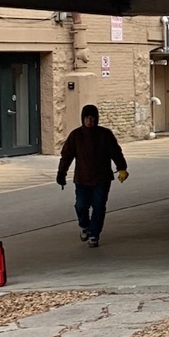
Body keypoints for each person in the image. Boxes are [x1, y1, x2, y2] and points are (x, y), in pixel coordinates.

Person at [55, 104, 128, 248]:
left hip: (102, 178)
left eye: (92, 118)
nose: (90, 121)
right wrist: (61, 173)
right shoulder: (76, 136)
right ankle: (84, 225)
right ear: (82, 119)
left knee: (99, 206)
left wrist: (122, 168)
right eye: (87, 118)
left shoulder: (105, 134)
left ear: (96, 119)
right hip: (82, 178)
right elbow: (66, 156)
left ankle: (94, 234)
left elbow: (116, 152)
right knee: (81, 205)